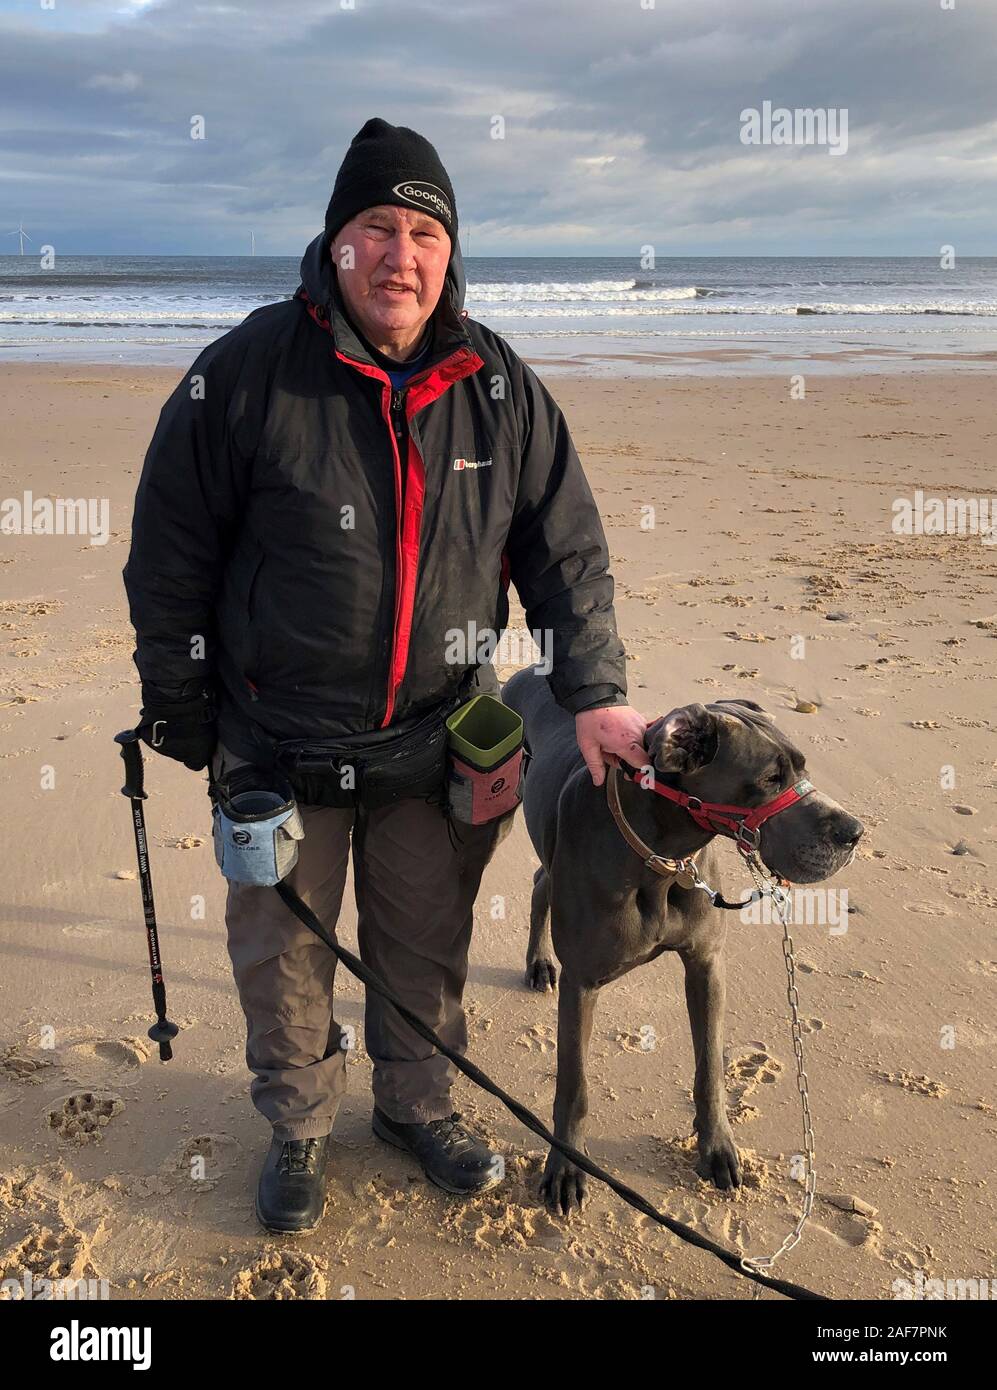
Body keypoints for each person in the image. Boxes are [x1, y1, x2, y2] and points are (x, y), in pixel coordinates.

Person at [122, 117, 646, 1233]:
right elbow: (170, 549)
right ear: (335, 243)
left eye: (423, 230)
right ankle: (301, 1124)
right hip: (276, 741)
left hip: (434, 738)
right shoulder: (247, 372)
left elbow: (566, 551)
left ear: (448, 254)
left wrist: (594, 690)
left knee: (425, 945)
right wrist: (178, 696)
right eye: (376, 227)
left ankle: (413, 1106)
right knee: (280, 960)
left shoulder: (498, 388)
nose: (400, 254)